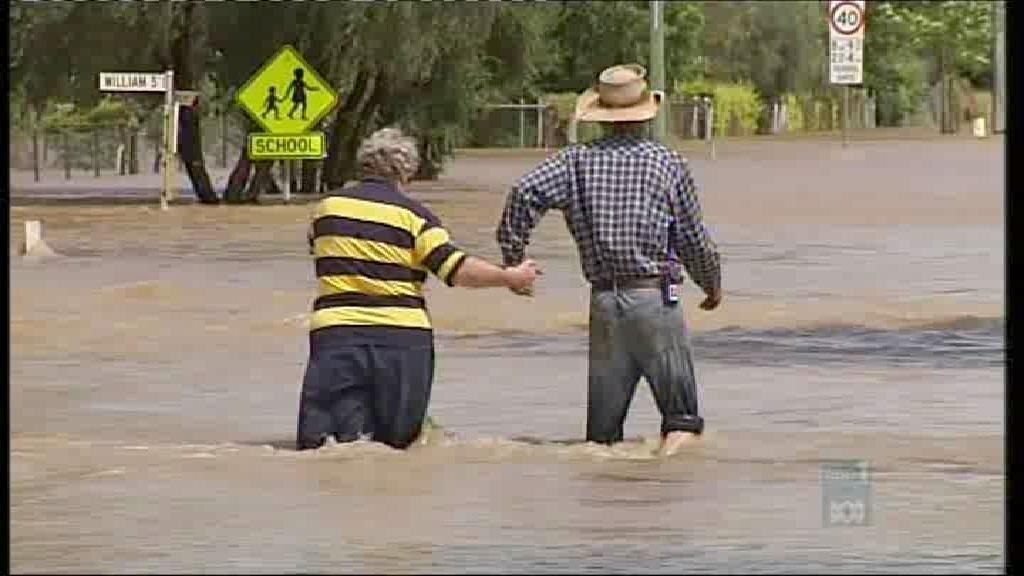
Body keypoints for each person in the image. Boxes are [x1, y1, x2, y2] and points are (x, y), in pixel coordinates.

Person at [496, 64, 723, 456]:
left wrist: (515, 262)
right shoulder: (667, 162)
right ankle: (679, 500)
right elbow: (691, 237)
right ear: (646, 113)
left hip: (604, 303)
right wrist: (711, 285)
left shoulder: (573, 161)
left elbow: (523, 192)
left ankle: (602, 507)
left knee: (601, 438)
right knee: (682, 423)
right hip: (655, 300)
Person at [297, 127, 542, 450]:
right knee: (397, 443)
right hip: (401, 340)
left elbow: (319, 250)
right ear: (406, 171)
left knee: (331, 443)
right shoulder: (416, 217)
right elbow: (455, 269)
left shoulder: (326, 210)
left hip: (337, 334)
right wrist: (511, 277)